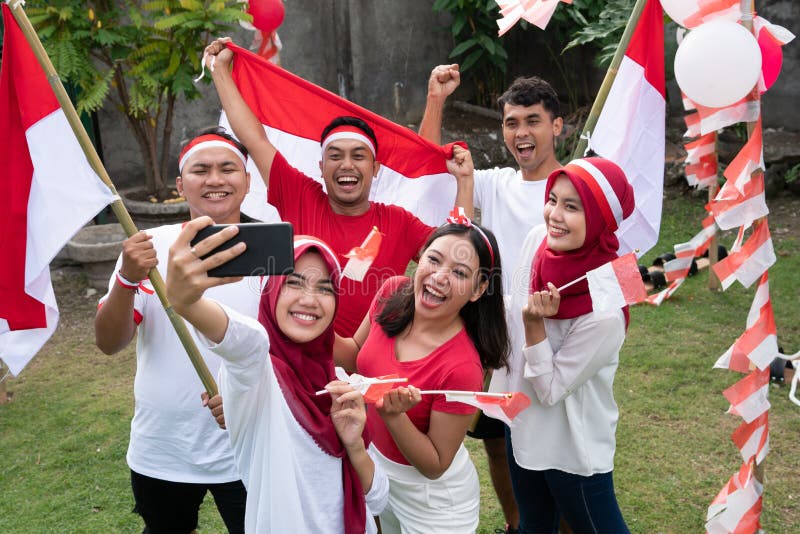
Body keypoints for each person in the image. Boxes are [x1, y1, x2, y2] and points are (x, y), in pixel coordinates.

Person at [205, 37, 475, 338]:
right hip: (298, 350)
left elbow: (455, 248)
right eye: (335, 156)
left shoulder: (398, 222)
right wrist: (220, 71)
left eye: (358, 156)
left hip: (368, 365)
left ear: (374, 169)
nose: (346, 164)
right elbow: (254, 138)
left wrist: (464, 182)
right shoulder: (301, 196)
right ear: (321, 168)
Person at [418, 65, 565, 534]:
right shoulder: (496, 182)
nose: (521, 133)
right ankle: (516, 524)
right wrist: (435, 99)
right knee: (498, 440)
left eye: (532, 121)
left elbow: (618, 268)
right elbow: (427, 165)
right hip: (495, 341)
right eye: (511, 122)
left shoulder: (579, 187)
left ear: (556, 126)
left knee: (557, 452)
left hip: (554, 343)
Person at [165, 227, 389, 533]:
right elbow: (247, 342)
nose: (310, 300)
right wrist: (186, 302)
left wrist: (354, 445)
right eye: (294, 284)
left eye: (325, 288)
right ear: (271, 290)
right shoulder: (257, 377)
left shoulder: (338, 384)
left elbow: (377, 500)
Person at [94, 127, 259, 533]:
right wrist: (128, 279)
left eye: (228, 168)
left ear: (247, 181)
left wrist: (248, 396)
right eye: (201, 170)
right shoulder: (148, 249)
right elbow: (109, 342)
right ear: (181, 185)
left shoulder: (274, 249)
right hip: (164, 447)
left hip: (250, 442)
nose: (216, 179)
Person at [336, 219, 510, 533]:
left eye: (459, 273)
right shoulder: (392, 292)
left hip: (434, 503)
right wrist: (315, 324)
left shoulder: (462, 368)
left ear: (479, 289)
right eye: (434, 259)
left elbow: (435, 464)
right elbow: (354, 354)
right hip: (379, 472)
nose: (440, 277)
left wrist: (393, 415)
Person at [492, 157, 633, 533]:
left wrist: (534, 325)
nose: (554, 214)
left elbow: (551, 390)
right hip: (522, 423)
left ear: (601, 218)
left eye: (572, 206)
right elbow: (514, 302)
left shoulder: (608, 311)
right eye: (553, 199)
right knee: (534, 525)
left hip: (572, 448)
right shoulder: (538, 238)